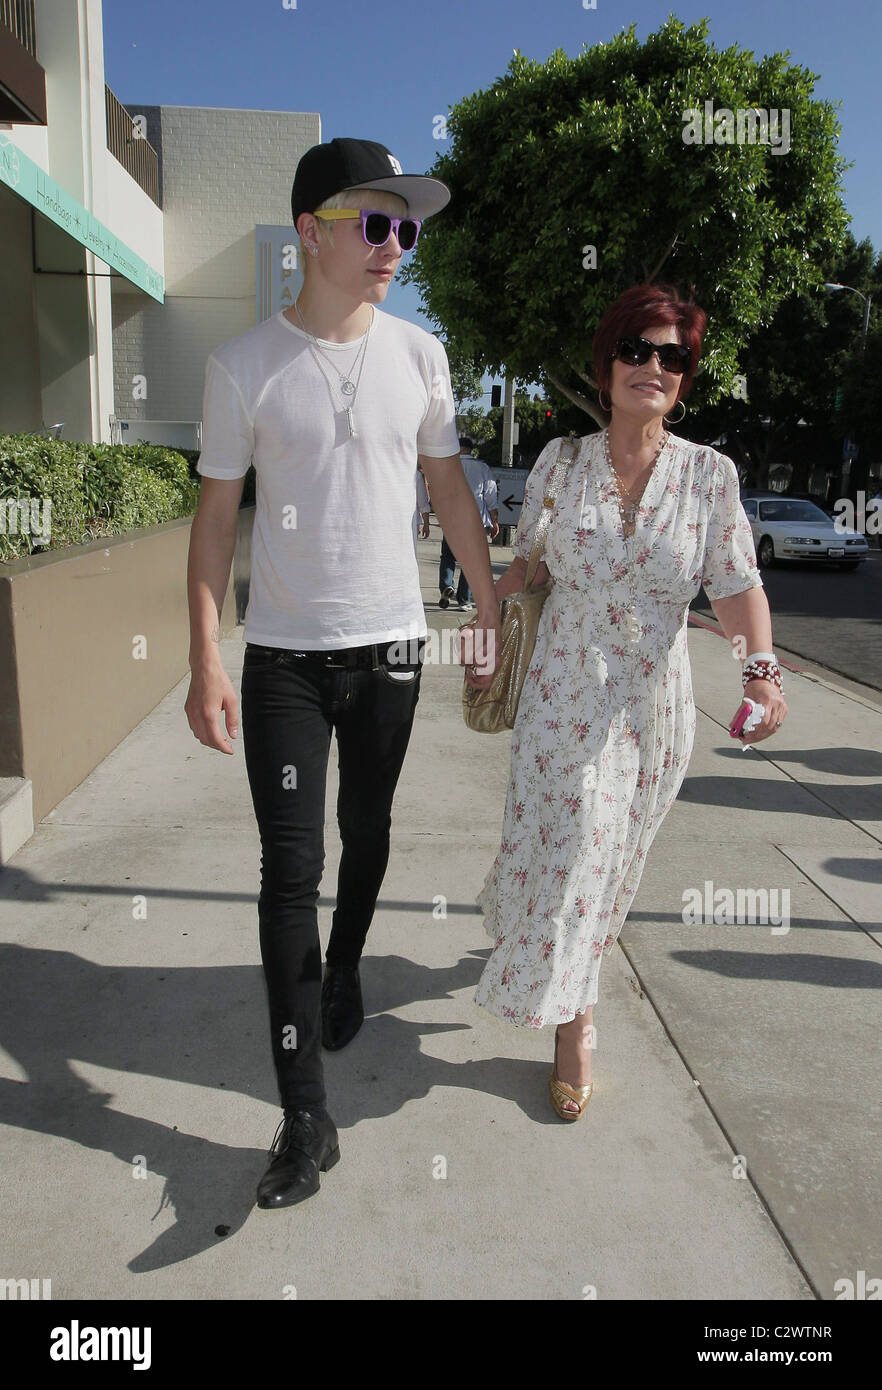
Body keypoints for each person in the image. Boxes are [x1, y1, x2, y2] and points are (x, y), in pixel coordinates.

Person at [185, 138, 500, 1209]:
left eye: (405, 229)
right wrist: (202, 657)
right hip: (282, 658)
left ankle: (351, 957)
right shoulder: (241, 365)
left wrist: (488, 600)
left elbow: (452, 492)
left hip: (395, 645)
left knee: (368, 835)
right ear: (313, 231)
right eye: (376, 224)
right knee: (289, 872)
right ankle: (304, 1117)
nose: (394, 247)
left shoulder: (421, 356)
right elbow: (213, 523)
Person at [468, 284, 787, 1120]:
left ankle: (561, 963)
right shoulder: (560, 463)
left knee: (607, 863)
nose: (654, 367)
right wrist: (486, 623)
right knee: (574, 842)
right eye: (638, 351)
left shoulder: (710, 476)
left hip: (652, 708)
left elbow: (736, 586)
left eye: (672, 356)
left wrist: (762, 672)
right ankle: (577, 1024)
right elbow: (531, 567)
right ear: (607, 365)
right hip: (563, 696)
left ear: (685, 376)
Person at [439, 437, 499, 609]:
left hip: (452, 517)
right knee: (472, 559)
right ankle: (464, 599)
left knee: (448, 556)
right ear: (472, 450)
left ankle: (446, 585)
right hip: (476, 519)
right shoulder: (482, 467)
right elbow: (490, 494)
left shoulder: (448, 466)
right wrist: (494, 519)